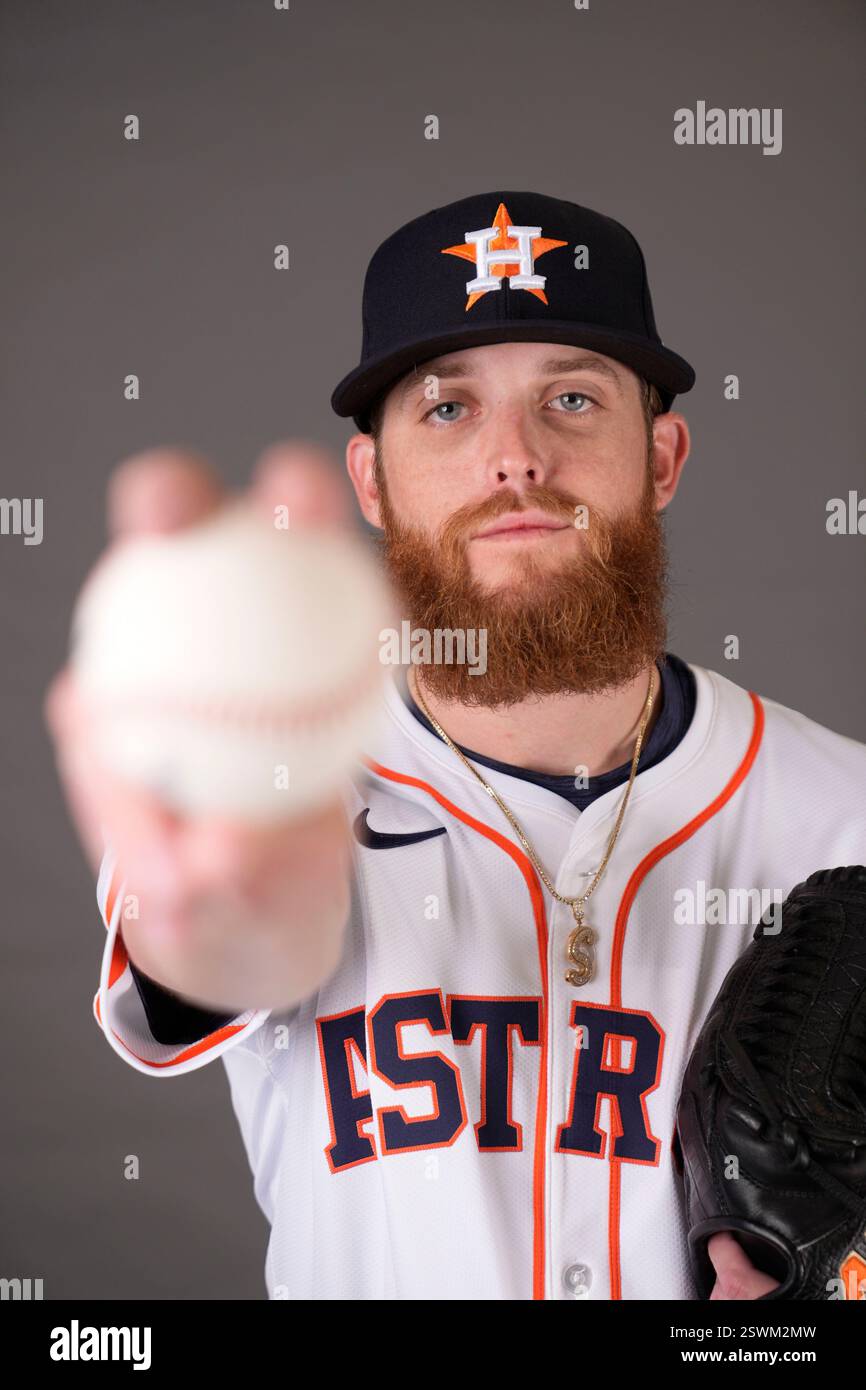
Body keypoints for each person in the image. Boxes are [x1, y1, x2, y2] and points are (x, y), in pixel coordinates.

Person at [46, 191, 866, 1301]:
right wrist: (229, 942)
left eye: (570, 398)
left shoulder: (844, 813)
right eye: (446, 410)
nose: (514, 461)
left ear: (662, 458)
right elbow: (205, 956)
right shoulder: (256, 794)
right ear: (370, 483)